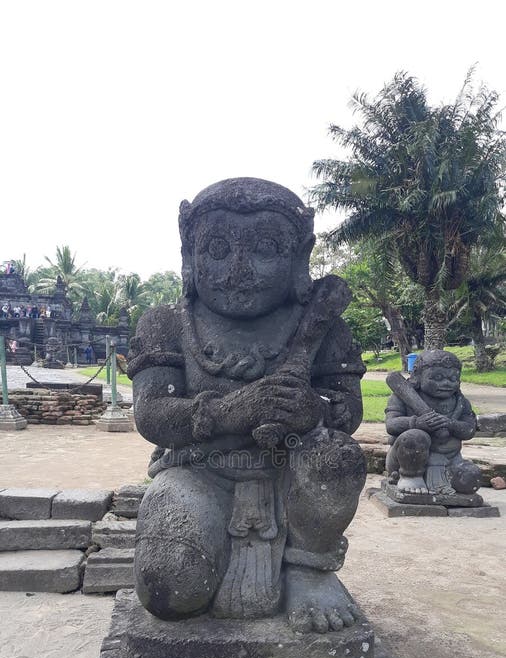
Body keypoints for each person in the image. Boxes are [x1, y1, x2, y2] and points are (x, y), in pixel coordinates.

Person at [128, 178, 367, 632]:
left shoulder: (326, 327)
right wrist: (230, 411)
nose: (238, 270)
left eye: (265, 249)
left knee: (338, 459)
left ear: (300, 257)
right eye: (216, 249)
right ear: (188, 254)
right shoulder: (167, 323)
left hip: (294, 476)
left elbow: (346, 412)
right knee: (169, 589)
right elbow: (152, 414)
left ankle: (309, 569)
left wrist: (311, 411)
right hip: (199, 473)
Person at [385, 350, 481, 495]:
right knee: (415, 436)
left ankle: (442, 480)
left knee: (471, 477)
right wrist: (415, 423)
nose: (446, 383)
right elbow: (391, 425)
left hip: (449, 459)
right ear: (417, 376)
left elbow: (469, 430)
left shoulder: (460, 402)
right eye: (437, 377)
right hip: (408, 459)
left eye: (453, 379)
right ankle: (410, 477)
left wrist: (450, 424)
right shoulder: (401, 397)